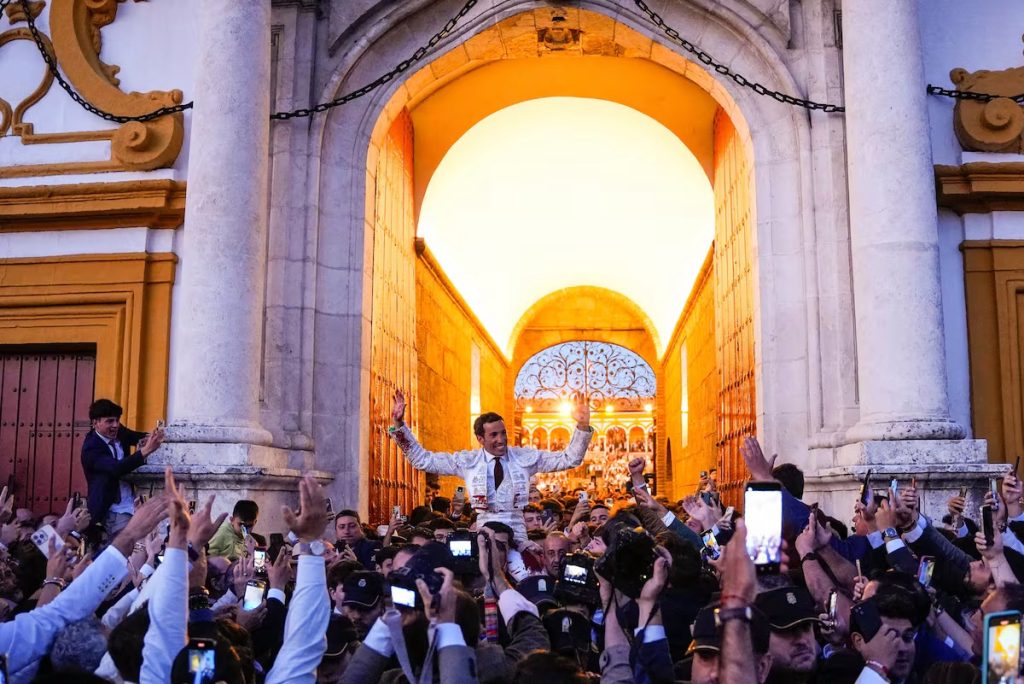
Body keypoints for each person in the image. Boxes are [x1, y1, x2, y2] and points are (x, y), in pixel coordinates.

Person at [388, 390, 593, 543]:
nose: (501, 439)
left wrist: (582, 426)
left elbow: (570, 459)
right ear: (480, 438)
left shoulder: (524, 457)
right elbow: (422, 460)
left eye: (503, 433)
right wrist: (399, 426)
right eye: (493, 435)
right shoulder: (468, 462)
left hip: (519, 536)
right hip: (485, 533)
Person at [80, 398, 165, 538]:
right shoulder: (90, 448)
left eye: (117, 420)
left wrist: (151, 437)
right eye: (109, 421)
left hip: (132, 503)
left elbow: (134, 436)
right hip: (113, 510)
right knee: (129, 545)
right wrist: (146, 450)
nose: (115, 425)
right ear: (95, 423)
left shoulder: (118, 431)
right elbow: (116, 468)